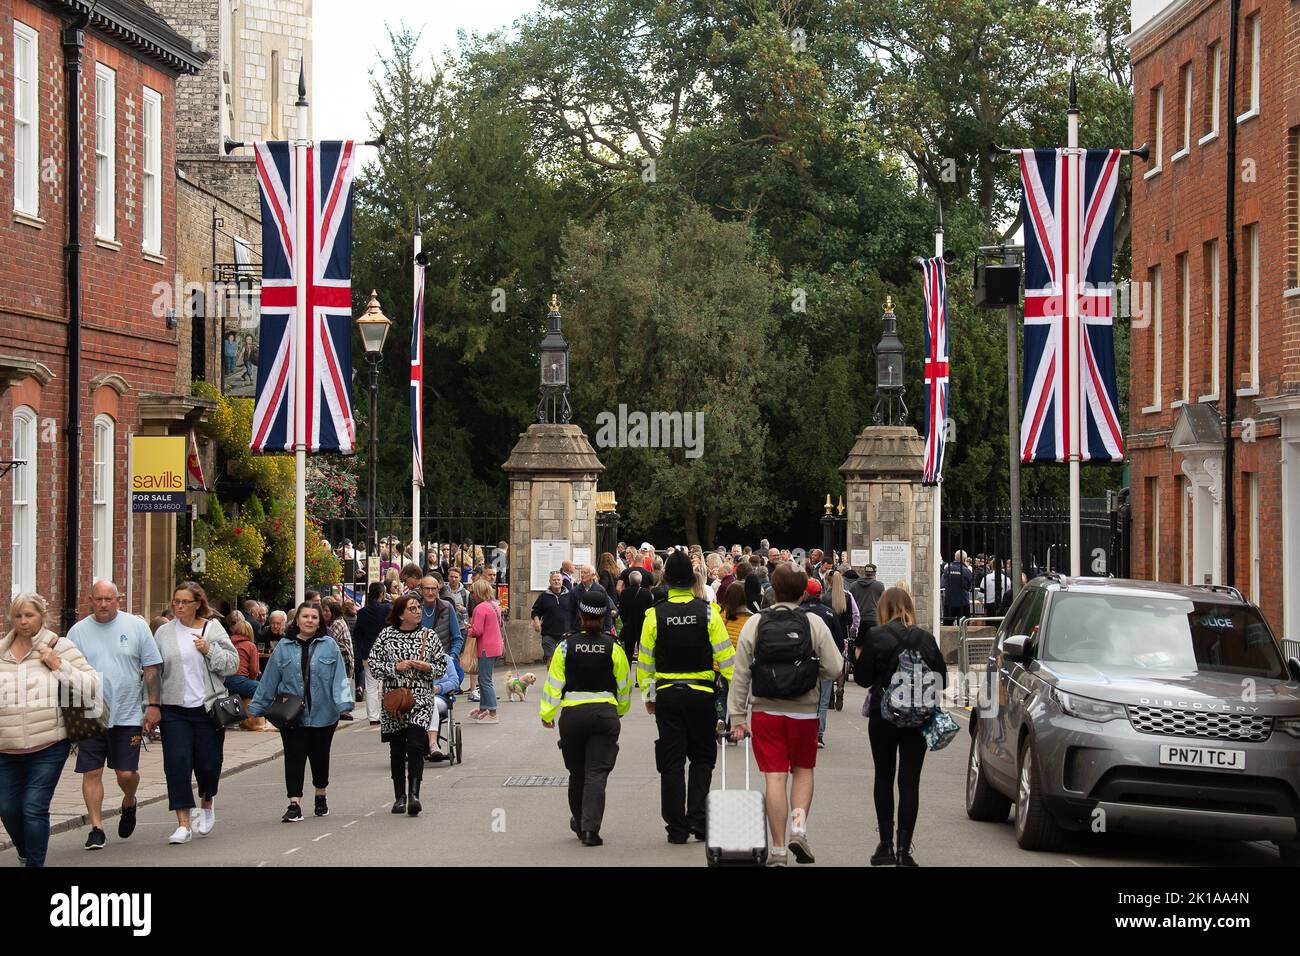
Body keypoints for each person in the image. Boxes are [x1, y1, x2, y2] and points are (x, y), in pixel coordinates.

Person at [728, 564, 842, 866]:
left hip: (766, 710)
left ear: (772, 590)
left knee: (774, 778)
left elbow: (740, 673)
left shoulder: (756, 623)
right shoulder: (813, 623)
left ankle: (778, 849)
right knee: (803, 771)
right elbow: (835, 667)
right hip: (804, 711)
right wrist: (809, 670)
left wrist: (737, 716)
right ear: (804, 592)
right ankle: (799, 828)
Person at [638, 549, 736, 844]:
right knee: (703, 758)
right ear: (693, 579)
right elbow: (727, 659)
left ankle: (676, 828)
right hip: (702, 696)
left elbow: (645, 664)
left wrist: (650, 697)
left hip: (668, 696)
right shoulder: (709, 613)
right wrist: (740, 699)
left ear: (666, 580)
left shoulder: (654, 615)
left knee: (670, 762)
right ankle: (699, 820)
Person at [0, 593, 102, 867]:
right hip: (5, 746)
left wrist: (59, 665)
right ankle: (24, 851)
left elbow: (92, 685)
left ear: (42, 616)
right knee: (7, 809)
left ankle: (34, 864)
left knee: (34, 807)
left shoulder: (59, 646)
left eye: (29, 615)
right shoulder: (1, 652)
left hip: (48, 744)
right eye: (18, 616)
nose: (23, 622)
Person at [65, 581, 163, 850]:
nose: (104, 604)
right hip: (90, 714)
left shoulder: (136, 627)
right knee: (91, 772)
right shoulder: (78, 632)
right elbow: (66, 673)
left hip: (128, 712)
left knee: (126, 773)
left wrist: (153, 705)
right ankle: (96, 828)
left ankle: (129, 800)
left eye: (109, 599)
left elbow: (152, 668)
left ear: (118, 599)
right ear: (90, 600)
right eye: (99, 599)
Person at [854, 586, 947, 867]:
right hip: (918, 717)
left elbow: (862, 678)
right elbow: (942, 676)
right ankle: (905, 851)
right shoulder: (926, 638)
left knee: (883, 777)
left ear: (883, 608)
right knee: (910, 782)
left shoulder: (876, 636)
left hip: (883, 716)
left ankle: (885, 846)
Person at [539, 587, 631, 846]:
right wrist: (620, 709)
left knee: (576, 772)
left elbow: (554, 683)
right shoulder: (613, 647)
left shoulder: (565, 646)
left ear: (580, 614)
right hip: (604, 714)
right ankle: (590, 830)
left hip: (572, 716)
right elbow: (623, 683)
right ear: (604, 617)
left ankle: (579, 821)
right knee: (596, 774)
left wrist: (547, 713)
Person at [150, 582, 239, 845]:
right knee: (177, 764)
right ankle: (183, 823)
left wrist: (209, 650)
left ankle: (207, 801)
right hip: (174, 710)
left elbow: (232, 664)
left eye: (184, 602)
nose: (178, 606)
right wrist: (152, 705)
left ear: (197, 603)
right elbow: (154, 670)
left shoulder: (211, 629)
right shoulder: (164, 633)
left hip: (207, 709)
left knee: (209, 765)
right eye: (175, 601)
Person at [248, 603, 352, 821]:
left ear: (320, 621)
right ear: (296, 621)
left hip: (324, 713)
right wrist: (256, 708)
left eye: (314, 617)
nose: (310, 620)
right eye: (305, 616)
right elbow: (269, 679)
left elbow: (339, 677)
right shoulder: (284, 647)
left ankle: (320, 794)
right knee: (294, 757)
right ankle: (294, 803)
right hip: (292, 714)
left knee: (319, 756)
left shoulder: (329, 645)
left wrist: (343, 704)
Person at [367, 593, 444, 816]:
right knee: (397, 748)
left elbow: (441, 666)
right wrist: (395, 668)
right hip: (394, 700)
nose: (418, 611)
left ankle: (414, 794)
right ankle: (399, 796)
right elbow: (373, 665)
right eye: (412, 608)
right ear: (401, 614)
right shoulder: (386, 636)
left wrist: (427, 667)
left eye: (418, 607)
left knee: (416, 745)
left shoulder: (429, 636)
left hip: (421, 698)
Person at [353, 581, 390, 724]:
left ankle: (373, 717)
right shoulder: (387, 609)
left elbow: (357, 633)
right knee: (389, 683)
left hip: (368, 652)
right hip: (387, 652)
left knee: (371, 686)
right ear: (381, 594)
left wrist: (362, 648)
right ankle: (389, 712)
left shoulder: (362, 612)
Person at [467, 578, 504, 724]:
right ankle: (483, 709)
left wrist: (468, 629)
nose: (472, 595)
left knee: (485, 681)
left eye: (473, 592)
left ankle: (493, 712)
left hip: (486, 648)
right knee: (484, 680)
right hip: (496, 646)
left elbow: (477, 630)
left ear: (478, 593)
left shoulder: (480, 608)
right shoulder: (495, 605)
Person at [225, 618, 266, 730]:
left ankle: (240, 718)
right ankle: (260, 719)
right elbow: (254, 670)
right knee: (264, 690)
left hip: (224, 679)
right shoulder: (250, 645)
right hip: (239, 679)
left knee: (248, 690)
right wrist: (252, 679)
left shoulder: (228, 643)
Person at [321, 597, 355, 721]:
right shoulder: (338, 622)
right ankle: (342, 710)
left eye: (327, 611)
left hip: (343, 659)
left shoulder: (337, 624)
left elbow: (330, 642)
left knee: (341, 683)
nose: (324, 613)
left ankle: (343, 711)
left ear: (333, 612)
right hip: (345, 659)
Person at [531, 571, 572, 664]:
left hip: (565, 635)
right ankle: (551, 678)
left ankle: (563, 678)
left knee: (564, 661)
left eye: (558, 580)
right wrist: (537, 622)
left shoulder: (570, 595)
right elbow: (535, 611)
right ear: (550, 581)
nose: (556, 582)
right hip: (549, 635)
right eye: (554, 580)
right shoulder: (543, 596)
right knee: (552, 660)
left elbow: (576, 613)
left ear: (562, 581)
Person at [426, 652, 461, 762]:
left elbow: (455, 681)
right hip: (417, 698)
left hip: (440, 698)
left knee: (432, 702)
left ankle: (433, 744)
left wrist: (439, 688)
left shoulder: (445, 658)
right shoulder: (412, 658)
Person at [616, 569, 653, 663]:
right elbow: (650, 609)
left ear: (629, 580)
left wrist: (625, 620)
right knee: (642, 652)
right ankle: (639, 674)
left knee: (628, 651)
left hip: (629, 625)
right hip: (642, 625)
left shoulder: (624, 593)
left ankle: (628, 672)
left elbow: (621, 610)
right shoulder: (647, 593)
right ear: (640, 581)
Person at [942, 550, 973, 625]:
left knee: (947, 627)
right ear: (965, 559)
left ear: (955, 558)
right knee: (964, 627)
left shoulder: (947, 570)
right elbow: (970, 587)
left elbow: (943, 584)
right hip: (963, 603)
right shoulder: (967, 571)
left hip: (949, 603)